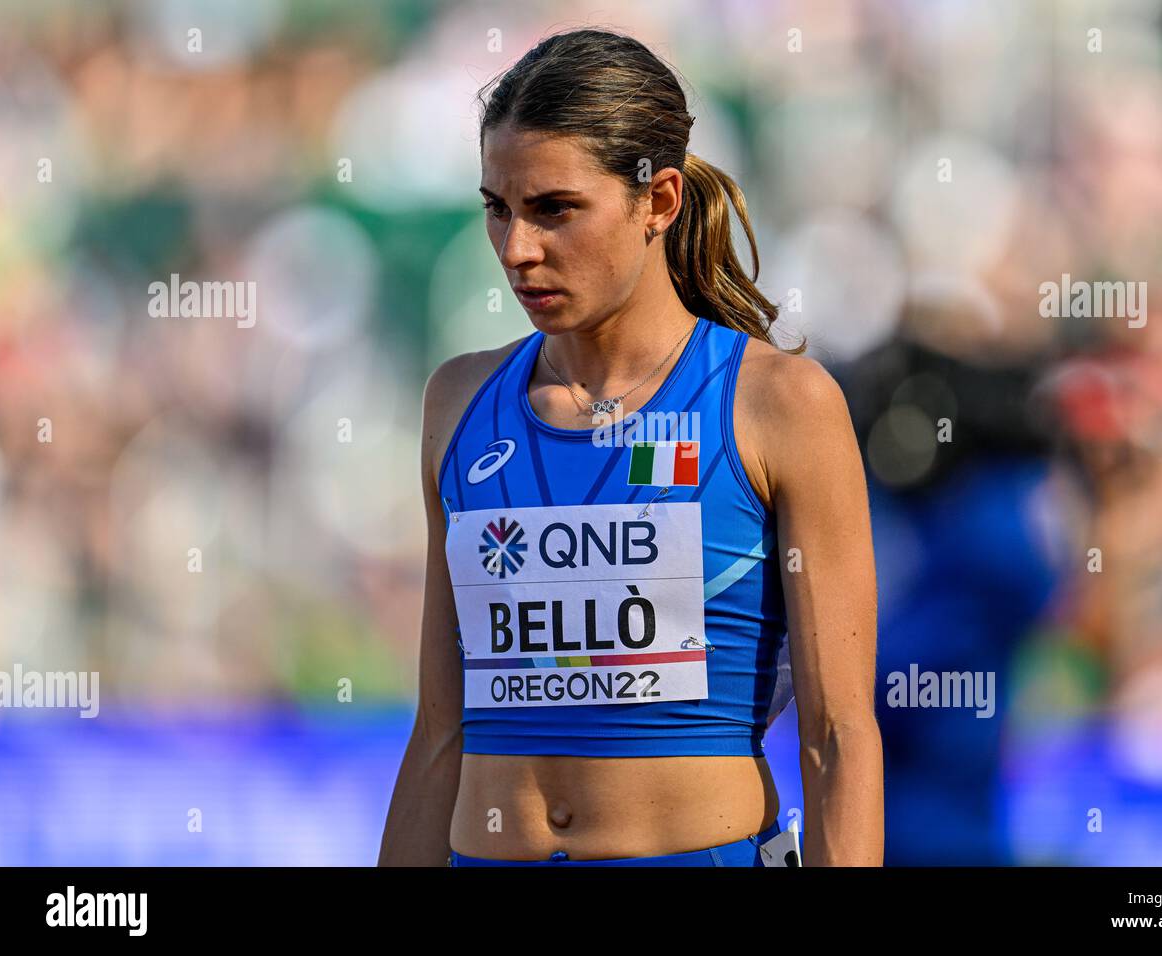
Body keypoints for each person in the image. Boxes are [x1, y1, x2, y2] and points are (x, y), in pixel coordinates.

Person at [378, 28, 882, 866]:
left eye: (555, 209)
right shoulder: (459, 401)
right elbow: (440, 730)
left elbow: (838, 736)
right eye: (497, 208)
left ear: (660, 201)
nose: (516, 249)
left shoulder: (779, 402)